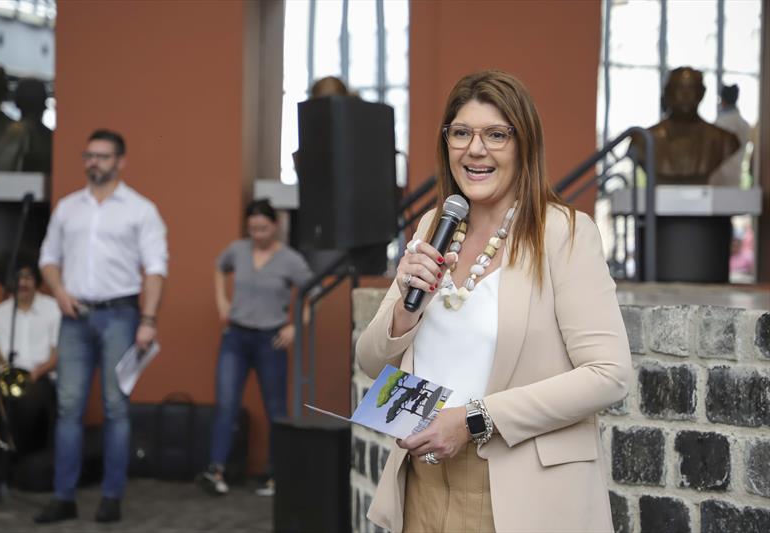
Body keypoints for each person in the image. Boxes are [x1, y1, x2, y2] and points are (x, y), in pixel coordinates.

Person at [356, 70, 631, 532]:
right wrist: (406, 308)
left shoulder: (563, 233)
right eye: (461, 133)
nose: (475, 149)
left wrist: (473, 420)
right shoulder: (434, 226)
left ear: (524, 144)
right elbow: (369, 361)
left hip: (520, 492)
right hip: (422, 484)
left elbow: (610, 375)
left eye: (496, 135)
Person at [34, 129, 168, 524]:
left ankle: (111, 496)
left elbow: (156, 268)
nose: (94, 162)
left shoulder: (141, 210)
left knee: (115, 407)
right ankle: (64, 497)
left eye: (103, 156)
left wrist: (148, 319)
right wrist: (58, 290)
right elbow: (48, 257)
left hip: (121, 316)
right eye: (89, 155)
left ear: (120, 162)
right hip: (74, 317)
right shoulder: (67, 208)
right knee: (68, 407)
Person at [198, 199, 313, 498]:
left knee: (275, 409)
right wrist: (221, 300)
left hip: (270, 339)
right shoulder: (238, 250)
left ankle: (276, 474)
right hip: (235, 337)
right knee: (226, 404)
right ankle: (215, 470)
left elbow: (313, 293)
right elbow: (219, 267)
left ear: (275, 226)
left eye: (263, 228)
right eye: (252, 229)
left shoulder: (290, 260)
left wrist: (296, 327)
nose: (258, 234)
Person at [0, 251, 60, 481]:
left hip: (39, 377)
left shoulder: (52, 309)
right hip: (6, 377)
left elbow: (57, 355)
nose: (23, 283)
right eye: (17, 277)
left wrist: (36, 373)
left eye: (28, 276)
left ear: (36, 279)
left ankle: (17, 463)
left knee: (27, 402)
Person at [630, 67, 739, 186]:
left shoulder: (723, 140)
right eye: (679, 87)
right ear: (668, 93)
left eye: (691, 88)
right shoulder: (642, 140)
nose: (685, 94)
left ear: (701, 93)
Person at [711, 84, 753, 187]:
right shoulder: (745, 125)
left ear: (722, 100)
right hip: (736, 175)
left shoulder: (718, 124)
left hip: (719, 177)